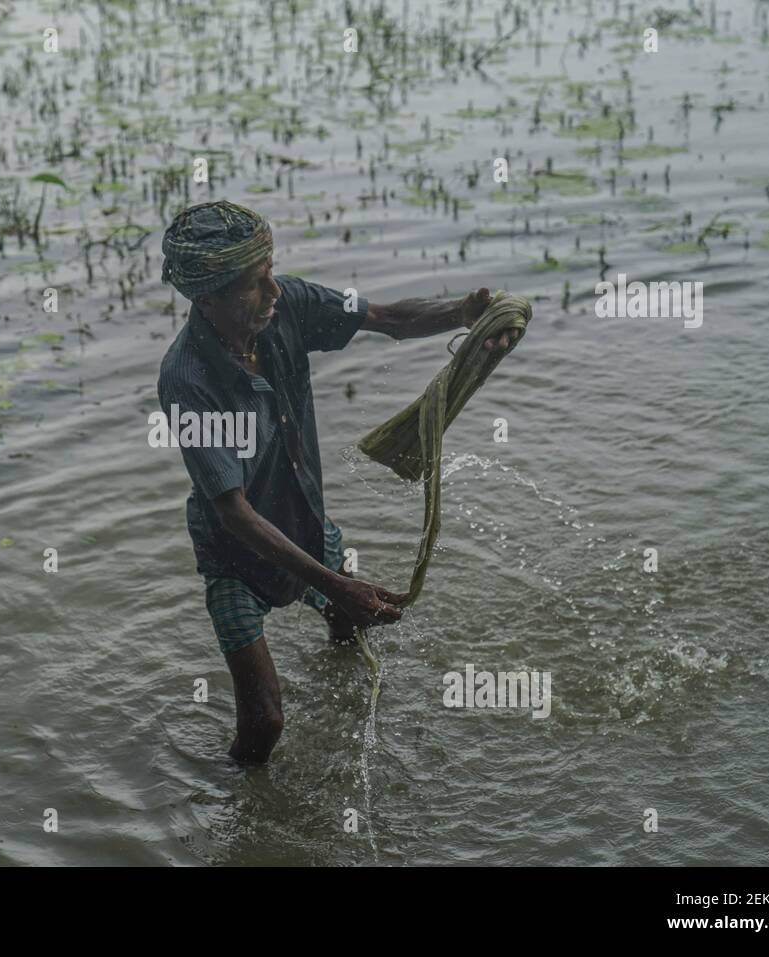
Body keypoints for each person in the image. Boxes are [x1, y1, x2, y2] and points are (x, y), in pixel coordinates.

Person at [156, 200, 516, 764]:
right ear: (208, 298)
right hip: (236, 558)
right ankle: (231, 804)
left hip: (305, 522)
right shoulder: (187, 380)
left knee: (351, 630)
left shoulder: (288, 306)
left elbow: (389, 318)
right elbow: (234, 513)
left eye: (271, 271)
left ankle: (339, 704)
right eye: (255, 284)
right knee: (266, 722)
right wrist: (338, 582)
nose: (274, 291)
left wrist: (463, 314)